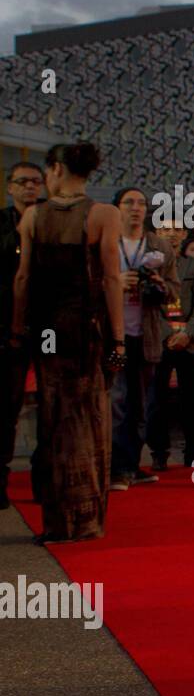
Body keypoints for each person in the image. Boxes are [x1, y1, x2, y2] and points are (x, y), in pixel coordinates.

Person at [10, 142, 125, 543]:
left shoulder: (32, 217)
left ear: (57, 169)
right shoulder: (103, 215)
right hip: (85, 329)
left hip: (45, 330)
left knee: (53, 417)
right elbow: (111, 278)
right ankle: (87, 520)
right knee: (89, 418)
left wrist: (16, 327)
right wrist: (117, 337)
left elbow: (22, 280)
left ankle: (58, 522)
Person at [109, 187, 178, 490]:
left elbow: (175, 292)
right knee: (117, 401)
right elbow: (88, 284)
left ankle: (131, 464)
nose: (136, 208)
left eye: (141, 203)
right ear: (117, 208)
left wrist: (161, 285)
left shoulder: (159, 245)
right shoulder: (106, 243)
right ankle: (114, 468)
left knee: (140, 405)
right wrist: (114, 284)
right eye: (129, 203)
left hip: (147, 335)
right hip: (114, 335)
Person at [146, 222, 194, 472]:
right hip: (159, 339)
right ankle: (159, 452)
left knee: (193, 401)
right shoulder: (149, 265)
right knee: (156, 400)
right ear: (157, 234)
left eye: (177, 229)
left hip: (191, 341)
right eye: (166, 229)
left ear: (185, 235)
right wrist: (168, 334)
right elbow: (149, 305)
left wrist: (188, 332)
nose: (172, 234)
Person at [0, 161, 44, 508]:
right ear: (9, 186)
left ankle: (45, 480)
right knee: (7, 407)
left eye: (35, 182)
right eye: (22, 182)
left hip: (48, 328)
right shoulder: (2, 225)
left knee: (51, 405)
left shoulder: (51, 221)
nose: (30, 187)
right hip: (7, 330)